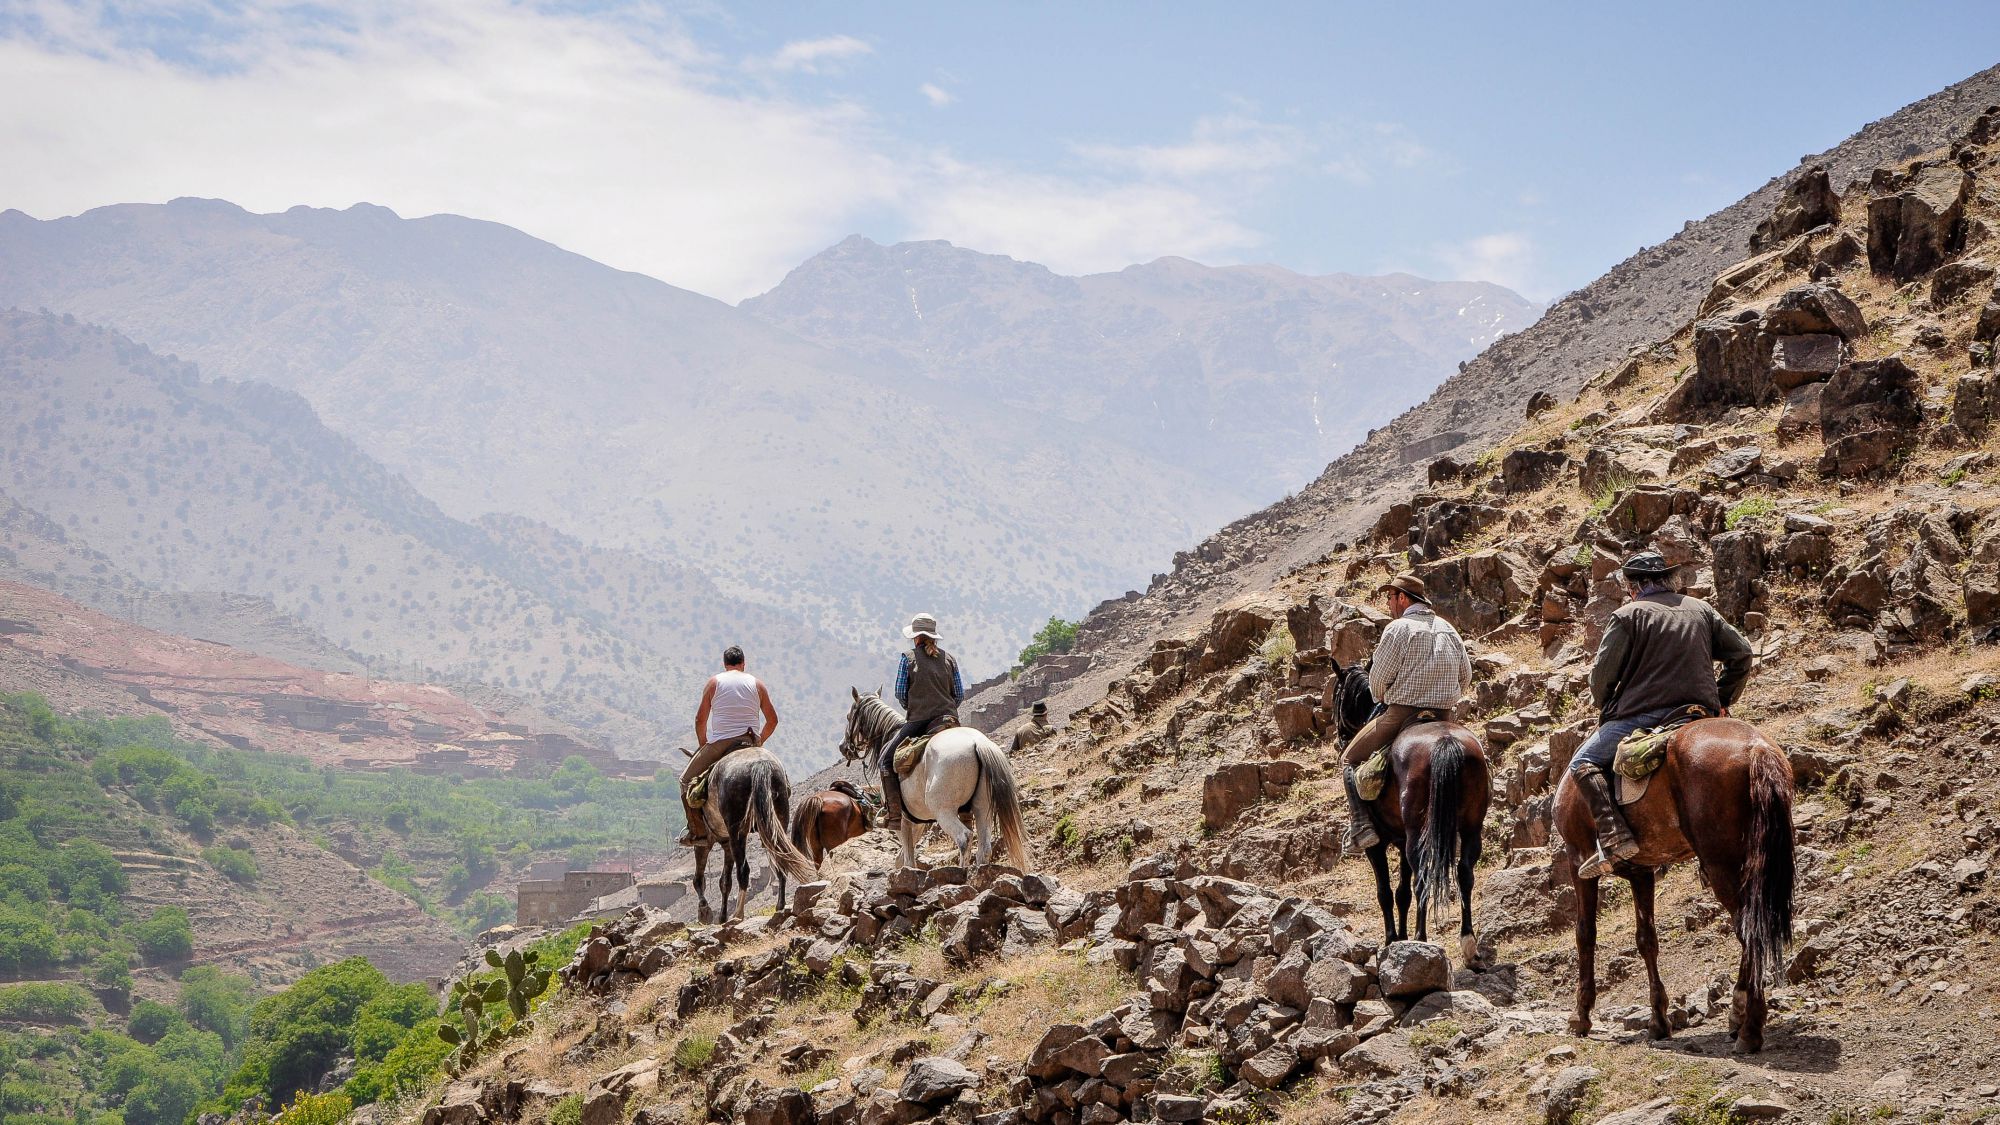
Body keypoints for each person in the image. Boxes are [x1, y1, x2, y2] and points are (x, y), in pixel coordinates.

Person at [1568, 550, 1754, 878]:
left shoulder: (1628, 616)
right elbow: (1741, 653)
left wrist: (1608, 702)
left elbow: (1601, 682)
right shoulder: (1701, 609)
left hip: (1643, 717)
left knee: (1582, 762)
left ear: (1633, 586)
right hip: (1701, 715)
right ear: (1669, 579)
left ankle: (1615, 837)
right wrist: (1720, 699)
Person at [1341, 573, 1473, 854]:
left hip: (1401, 714)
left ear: (1402, 598)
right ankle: (1461, 829)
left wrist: (1383, 696)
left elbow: (1377, 680)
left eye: (1390, 597)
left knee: (1349, 759)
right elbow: (1465, 677)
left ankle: (1361, 826)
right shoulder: (1449, 629)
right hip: (1443, 716)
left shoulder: (1398, 629)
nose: (1389, 604)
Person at [677, 646, 779, 846]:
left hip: (721, 742)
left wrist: (703, 745)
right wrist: (759, 741)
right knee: (779, 778)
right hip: (750, 741)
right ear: (743, 663)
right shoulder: (757, 684)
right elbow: (773, 720)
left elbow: (700, 720)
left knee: (685, 780)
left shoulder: (714, 683)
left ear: (724, 665)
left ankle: (698, 832)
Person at [877, 613, 964, 832]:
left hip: (919, 719)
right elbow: (960, 695)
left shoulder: (908, 658)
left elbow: (900, 692)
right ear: (934, 637)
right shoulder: (949, 659)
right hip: (949, 718)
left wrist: (914, 706)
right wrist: (945, 708)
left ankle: (895, 815)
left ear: (915, 637)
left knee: (886, 761)